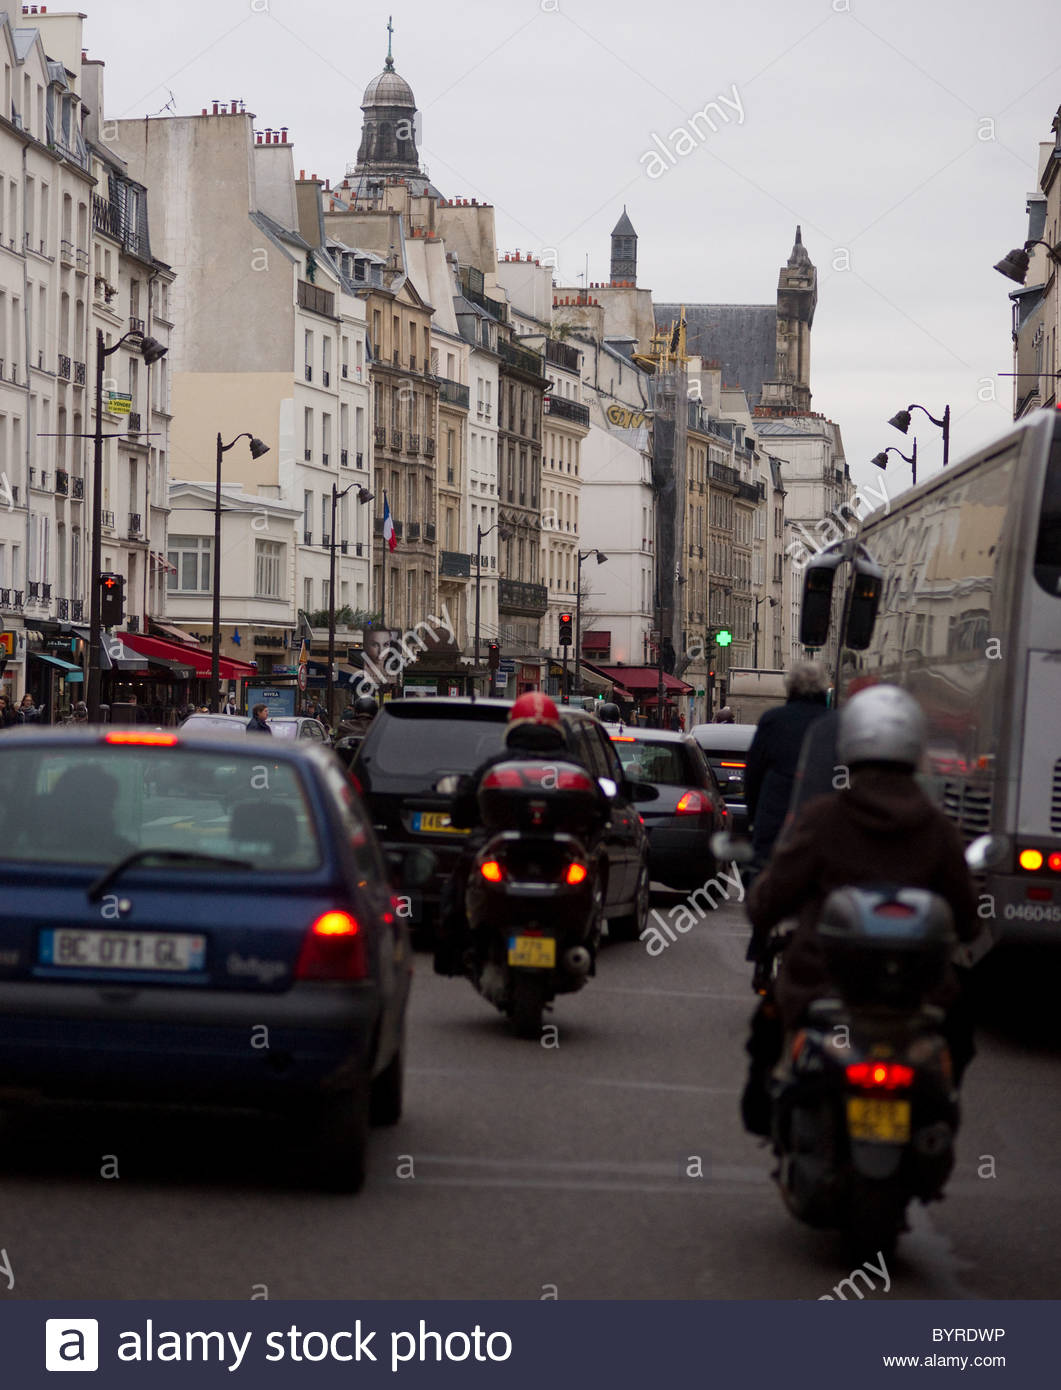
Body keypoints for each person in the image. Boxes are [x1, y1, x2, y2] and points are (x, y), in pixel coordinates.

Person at [739, 684, 978, 1136]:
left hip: (825, 983)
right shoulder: (939, 828)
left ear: (850, 746)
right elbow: (966, 918)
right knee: (960, 1031)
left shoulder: (823, 817)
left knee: (767, 1027)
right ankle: (939, 1110)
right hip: (917, 993)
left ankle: (767, 1113)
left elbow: (773, 896)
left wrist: (762, 908)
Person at [433, 692, 608, 976]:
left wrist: (462, 819)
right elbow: (601, 813)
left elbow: (463, 807)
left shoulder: (495, 765)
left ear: (513, 727)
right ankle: (584, 946)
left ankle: (454, 954)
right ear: (556, 729)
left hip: (503, 855)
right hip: (560, 859)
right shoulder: (576, 767)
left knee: (459, 881)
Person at [743, 662, 829, 869]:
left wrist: (754, 816)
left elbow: (753, 773)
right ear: (823, 689)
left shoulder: (773, 720)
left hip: (776, 819)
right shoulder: (833, 723)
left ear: (791, 687)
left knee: (764, 876)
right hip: (822, 824)